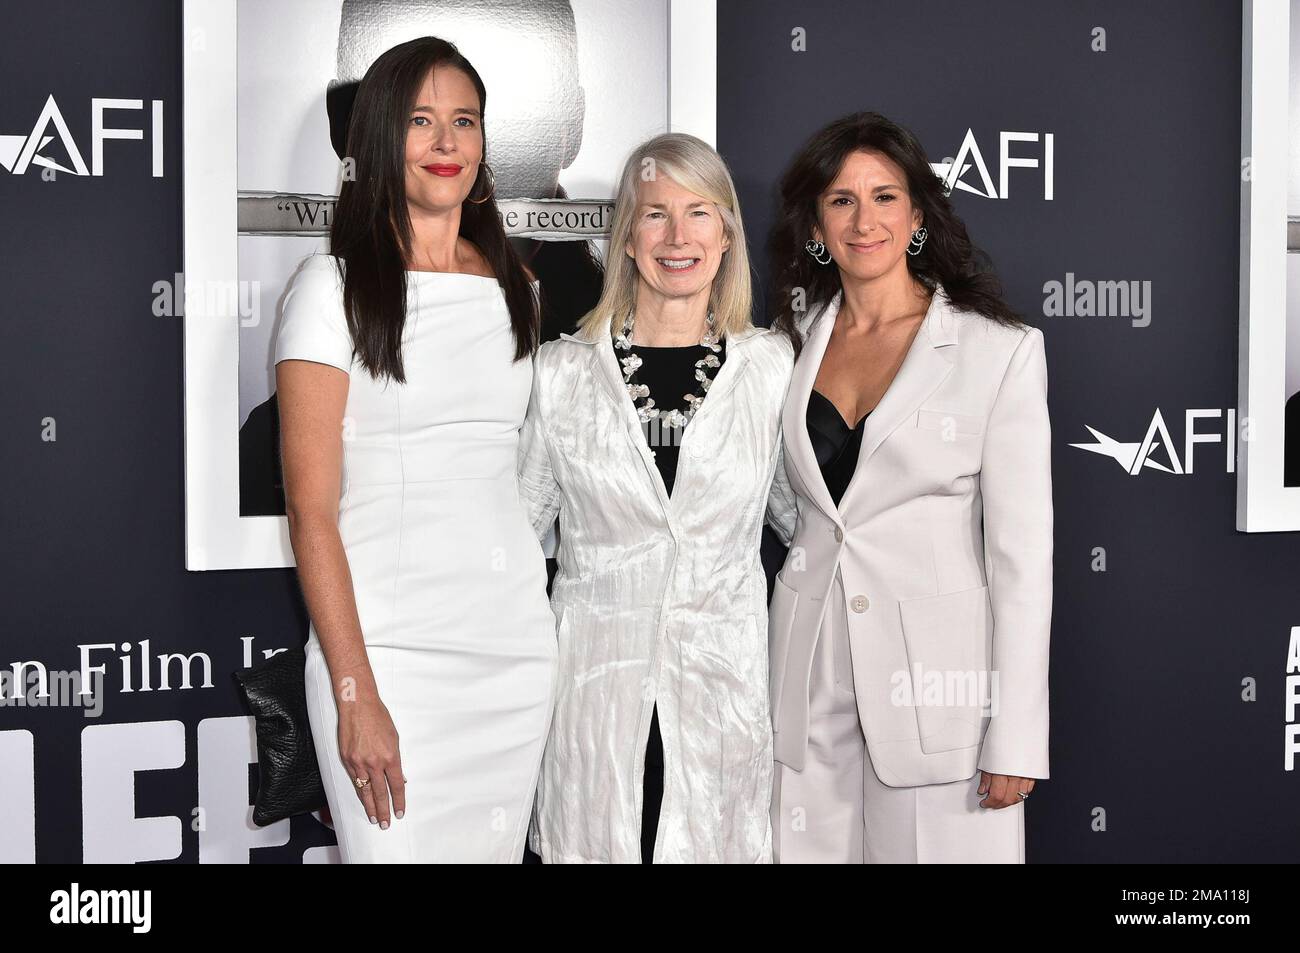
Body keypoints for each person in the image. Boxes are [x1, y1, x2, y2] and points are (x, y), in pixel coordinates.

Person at [275, 36, 555, 862]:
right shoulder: (331, 291)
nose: (447, 143)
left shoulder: (520, 291)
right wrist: (355, 694)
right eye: (423, 121)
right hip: (388, 657)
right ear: (379, 139)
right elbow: (311, 510)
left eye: (464, 122)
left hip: (511, 653)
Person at [764, 111, 1053, 863]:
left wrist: (1016, 731)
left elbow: (1021, 561)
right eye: (842, 200)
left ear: (917, 215)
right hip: (805, 689)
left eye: (885, 197)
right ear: (817, 224)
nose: (866, 220)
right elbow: (791, 508)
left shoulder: (999, 352)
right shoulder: (783, 346)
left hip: (940, 700)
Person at [516, 133, 795, 862]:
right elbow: (514, 542)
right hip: (595, 705)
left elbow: (812, 527)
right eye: (655, 214)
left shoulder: (771, 370)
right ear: (627, 239)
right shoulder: (561, 373)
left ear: (727, 233)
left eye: (700, 213)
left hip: (719, 705)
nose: (678, 236)